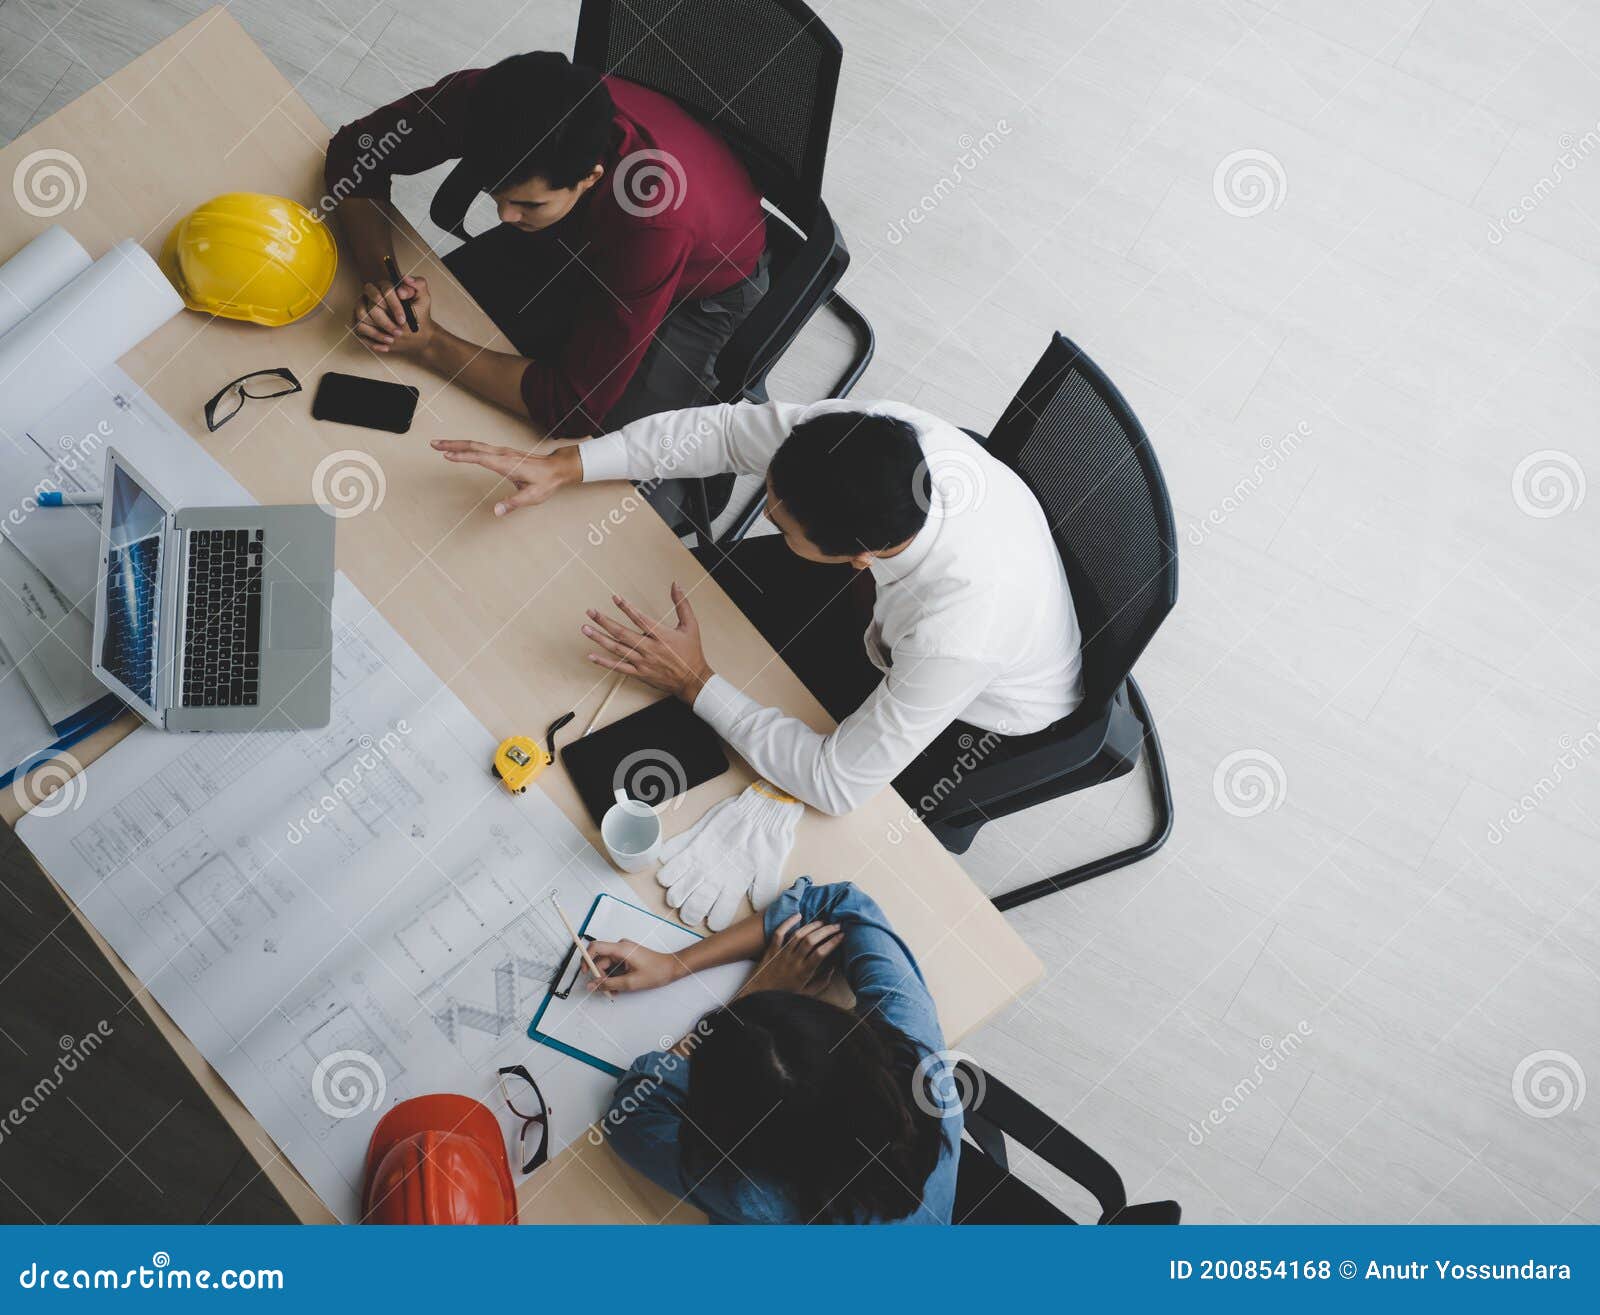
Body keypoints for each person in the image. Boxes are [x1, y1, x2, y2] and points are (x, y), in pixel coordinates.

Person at [430, 398, 1084, 821]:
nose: (764, 510)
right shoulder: (869, 435)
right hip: (888, 608)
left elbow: (836, 784)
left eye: (781, 521)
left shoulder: (957, 632)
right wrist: (568, 464)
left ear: (858, 557)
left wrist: (695, 681)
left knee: (728, 773)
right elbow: (719, 433)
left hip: (985, 712)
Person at [323, 51, 769, 448]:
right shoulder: (486, 99)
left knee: (621, 454)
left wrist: (430, 344)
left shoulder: (653, 225)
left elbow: (573, 409)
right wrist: (382, 278)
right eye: (496, 192)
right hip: (586, 231)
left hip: (704, 289)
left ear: (590, 178)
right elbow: (356, 154)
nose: (504, 217)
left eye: (528, 204)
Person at [590, 877, 960, 1224]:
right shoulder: (916, 1052)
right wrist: (672, 965)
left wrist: (752, 992)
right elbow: (839, 903)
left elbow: (632, 1109)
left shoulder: (751, 1195)